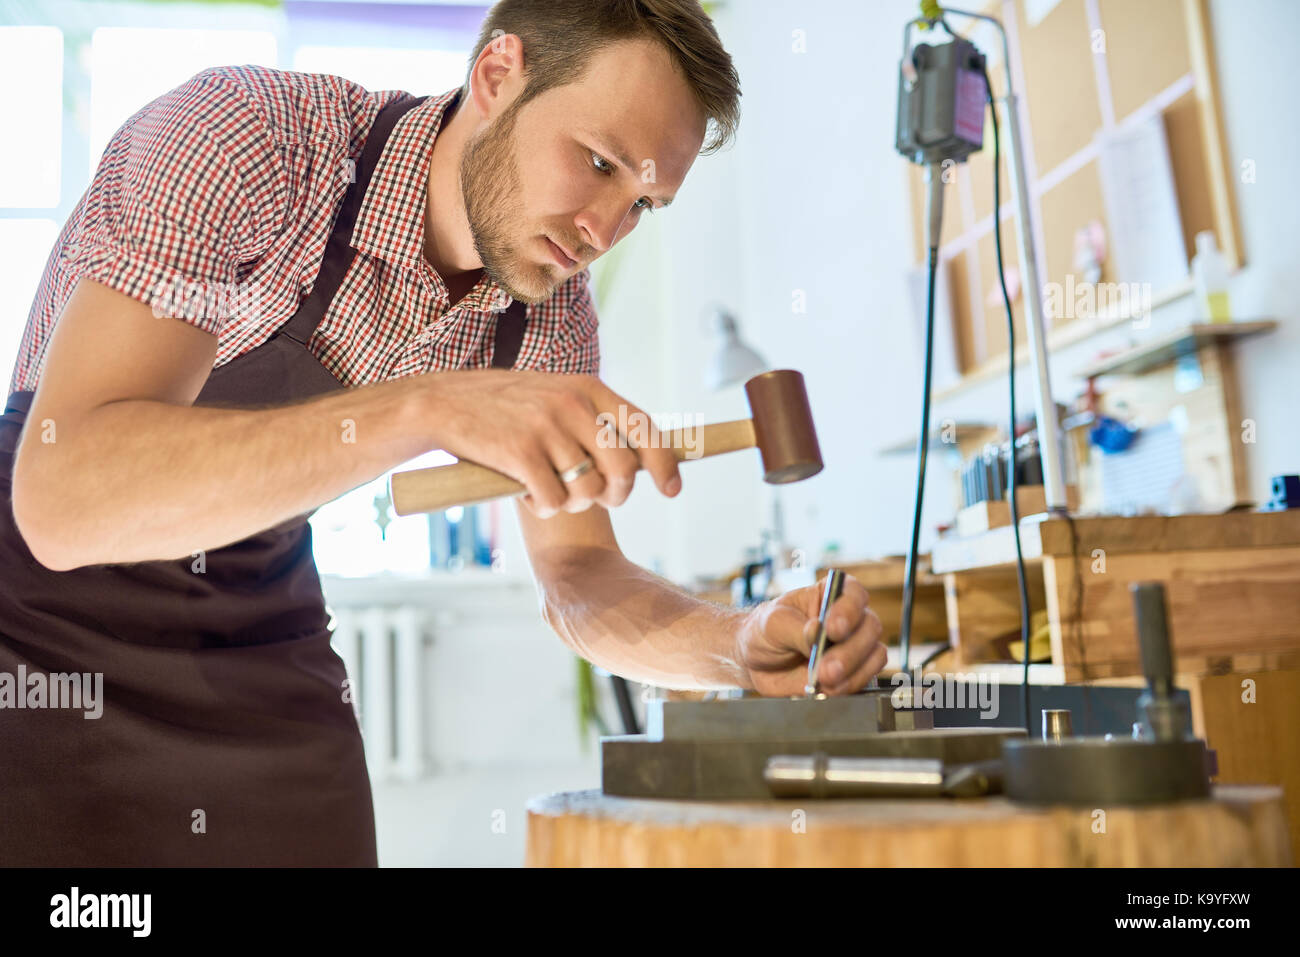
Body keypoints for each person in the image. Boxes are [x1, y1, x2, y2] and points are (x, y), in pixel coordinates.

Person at [0, 0, 884, 866]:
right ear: (497, 73)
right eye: (600, 162)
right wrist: (430, 406)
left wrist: (733, 644)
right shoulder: (251, 140)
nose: (605, 231)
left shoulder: (548, 321)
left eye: (643, 203)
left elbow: (578, 574)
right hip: (41, 623)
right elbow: (67, 497)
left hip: (255, 621)